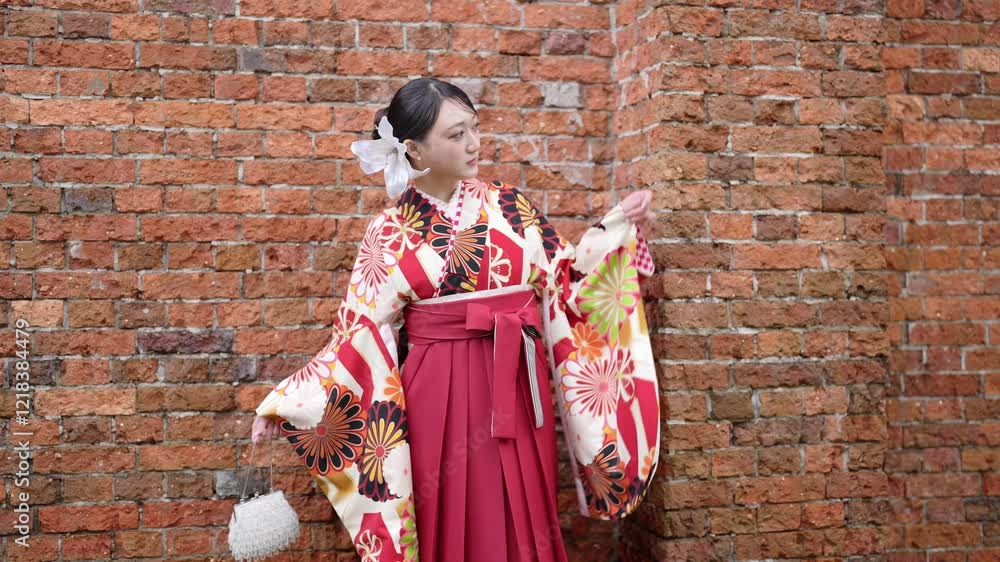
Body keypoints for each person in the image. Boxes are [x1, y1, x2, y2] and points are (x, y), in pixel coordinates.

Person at [250, 77, 660, 562]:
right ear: (414, 150)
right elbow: (357, 335)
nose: (474, 143)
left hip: (516, 383)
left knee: (523, 509)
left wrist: (616, 234)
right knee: (449, 515)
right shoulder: (389, 231)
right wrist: (291, 402)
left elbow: (566, 281)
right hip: (437, 394)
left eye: (474, 128)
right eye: (456, 134)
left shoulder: (509, 206)